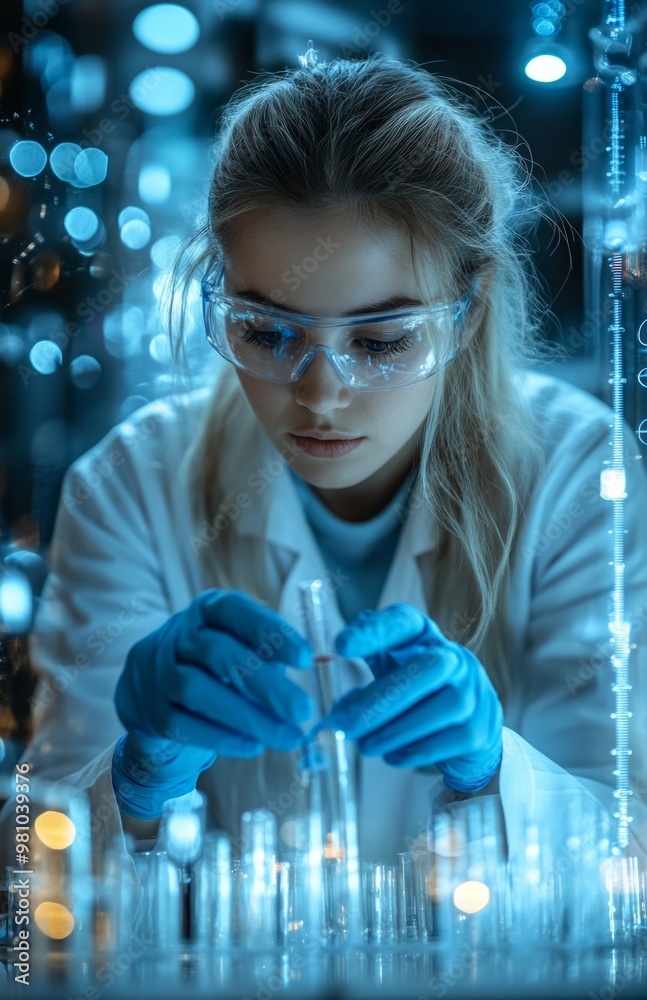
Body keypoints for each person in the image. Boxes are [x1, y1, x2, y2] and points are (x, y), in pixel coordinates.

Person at [5, 51, 647, 869]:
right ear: (219, 298)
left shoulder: (578, 471)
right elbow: (26, 893)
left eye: (381, 339)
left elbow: (631, 860)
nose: (320, 395)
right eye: (266, 333)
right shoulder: (132, 482)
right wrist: (129, 785)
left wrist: (496, 775)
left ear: (470, 308)